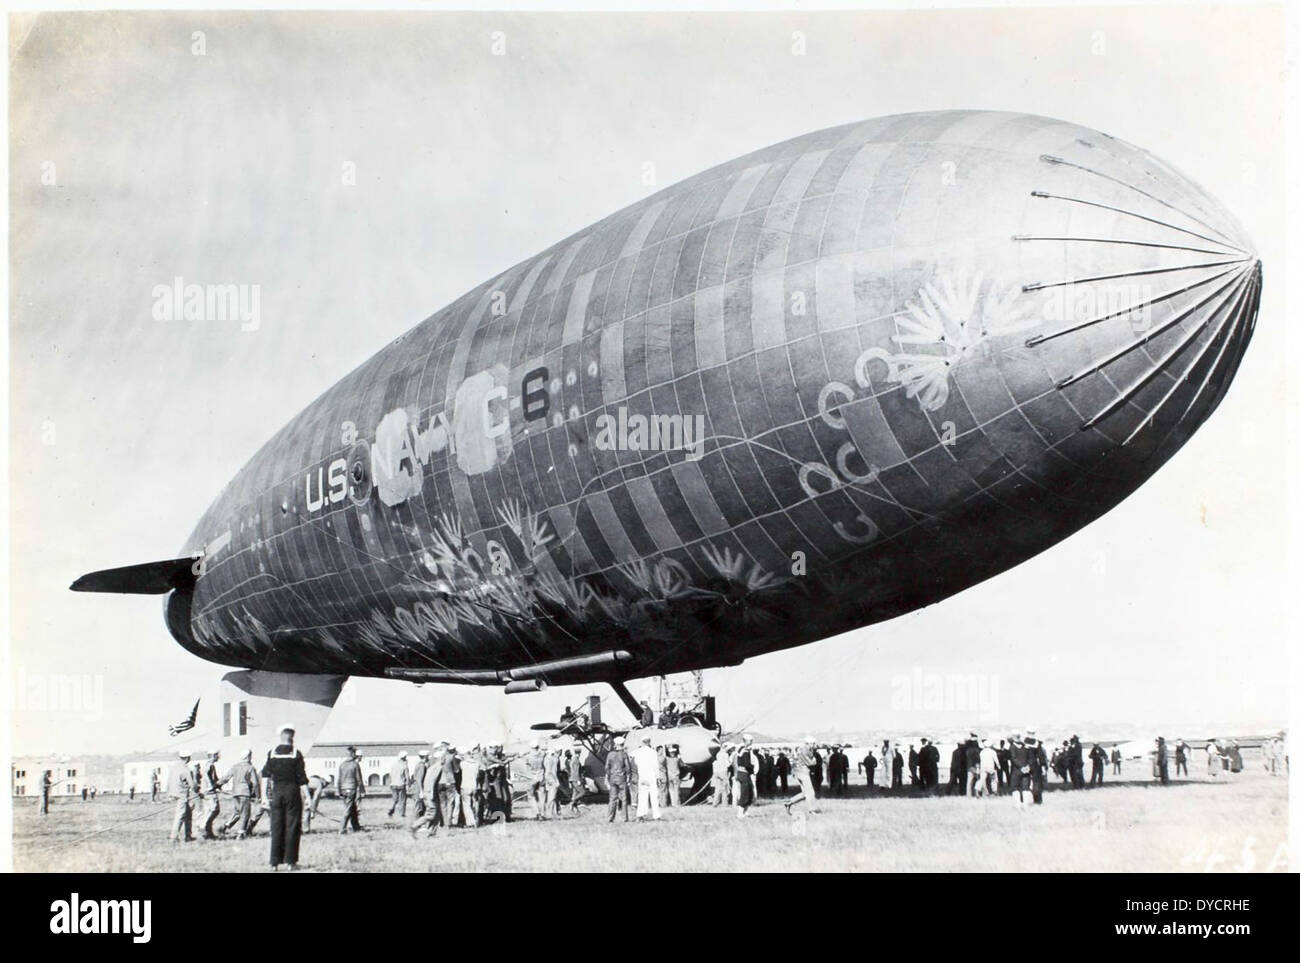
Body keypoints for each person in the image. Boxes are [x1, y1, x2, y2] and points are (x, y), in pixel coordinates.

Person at [261, 723, 309, 869]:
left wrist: (263, 796)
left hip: (277, 793)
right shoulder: (296, 753)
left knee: (276, 827)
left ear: (280, 736)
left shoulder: (272, 753)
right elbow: (302, 778)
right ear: (292, 736)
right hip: (292, 793)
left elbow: (265, 776)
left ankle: (274, 864)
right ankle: (290, 863)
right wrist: (308, 797)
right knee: (292, 827)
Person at [220, 748, 260, 838]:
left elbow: (226, 777)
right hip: (244, 792)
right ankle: (241, 833)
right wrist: (258, 796)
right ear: (248, 757)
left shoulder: (235, 766)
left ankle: (226, 826)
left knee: (237, 812)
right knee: (245, 813)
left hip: (235, 792)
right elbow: (255, 783)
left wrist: (217, 785)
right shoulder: (250, 768)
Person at [784, 735, 819, 816]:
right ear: (808, 743)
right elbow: (810, 763)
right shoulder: (804, 751)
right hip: (802, 773)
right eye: (813, 744)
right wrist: (814, 760)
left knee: (805, 793)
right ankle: (812, 810)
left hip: (801, 772)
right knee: (810, 792)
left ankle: (789, 802)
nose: (814, 745)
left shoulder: (806, 750)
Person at [632, 735, 662, 821]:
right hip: (651, 776)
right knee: (654, 796)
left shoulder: (637, 752)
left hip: (642, 776)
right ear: (649, 742)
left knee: (642, 796)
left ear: (642, 742)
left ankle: (640, 815)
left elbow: (636, 763)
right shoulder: (653, 752)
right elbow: (656, 766)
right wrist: (658, 777)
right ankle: (656, 816)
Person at [171, 751, 197, 842]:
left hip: (176, 794)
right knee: (180, 816)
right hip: (183, 796)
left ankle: (188, 836)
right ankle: (174, 837)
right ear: (187, 758)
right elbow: (192, 785)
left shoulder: (175, 768)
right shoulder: (186, 770)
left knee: (187, 815)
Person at [337, 745, 364, 833]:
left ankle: (356, 827)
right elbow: (359, 779)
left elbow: (339, 779)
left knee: (352, 808)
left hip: (343, 789)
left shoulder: (342, 765)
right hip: (351, 788)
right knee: (348, 809)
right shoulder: (355, 765)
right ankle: (342, 829)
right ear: (353, 754)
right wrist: (362, 790)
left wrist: (339, 791)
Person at [605, 737, 631, 822]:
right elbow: (628, 767)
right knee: (623, 799)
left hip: (612, 778)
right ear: (622, 744)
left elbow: (606, 767)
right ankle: (624, 818)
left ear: (615, 744)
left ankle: (610, 818)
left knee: (612, 799)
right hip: (621, 778)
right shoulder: (624, 754)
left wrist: (608, 776)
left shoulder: (610, 754)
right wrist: (628, 777)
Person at [198, 749, 222, 839]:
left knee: (209, 811)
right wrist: (213, 786)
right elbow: (208, 778)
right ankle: (202, 826)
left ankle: (208, 832)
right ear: (213, 755)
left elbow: (213, 778)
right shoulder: (209, 766)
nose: (218, 757)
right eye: (217, 755)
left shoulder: (209, 765)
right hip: (209, 792)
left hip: (206, 791)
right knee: (214, 810)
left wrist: (218, 785)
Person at [731, 735, 755, 818]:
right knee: (745, 793)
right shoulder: (744, 750)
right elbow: (746, 764)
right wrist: (752, 768)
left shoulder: (740, 749)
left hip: (741, 773)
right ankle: (740, 813)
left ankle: (745, 811)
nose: (751, 742)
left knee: (748, 792)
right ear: (746, 741)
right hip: (744, 773)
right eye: (750, 740)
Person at [388, 751, 410, 818]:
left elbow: (390, 775)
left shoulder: (394, 765)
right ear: (404, 758)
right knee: (402, 800)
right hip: (401, 784)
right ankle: (402, 814)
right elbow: (407, 777)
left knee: (395, 799)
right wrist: (408, 785)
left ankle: (391, 810)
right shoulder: (404, 766)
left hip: (393, 784)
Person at [567, 747, 585, 813]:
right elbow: (576, 770)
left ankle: (573, 808)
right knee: (582, 792)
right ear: (579, 753)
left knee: (575, 792)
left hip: (572, 778)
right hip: (575, 778)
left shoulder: (573, 759)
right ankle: (572, 803)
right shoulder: (576, 760)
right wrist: (578, 780)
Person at [964, 733, 981, 798]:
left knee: (969, 782)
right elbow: (977, 759)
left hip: (969, 766)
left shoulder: (967, 750)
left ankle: (968, 795)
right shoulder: (976, 750)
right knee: (978, 780)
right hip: (975, 766)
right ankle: (977, 793)